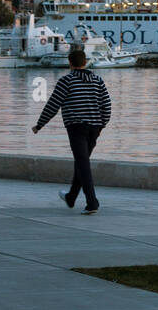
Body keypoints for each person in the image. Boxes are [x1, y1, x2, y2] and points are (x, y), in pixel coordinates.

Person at [32, 47, 112, 215]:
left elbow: (53, 105)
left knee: (83, 163)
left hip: (76, 127)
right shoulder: (98, 80)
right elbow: (107, 106)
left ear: (70, 63)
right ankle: (71, 197)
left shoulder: (66, 81)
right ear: (86, 62)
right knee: (81, 162)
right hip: (94, 128)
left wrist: (39, 125)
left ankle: (92, 203)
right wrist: (101, 125)